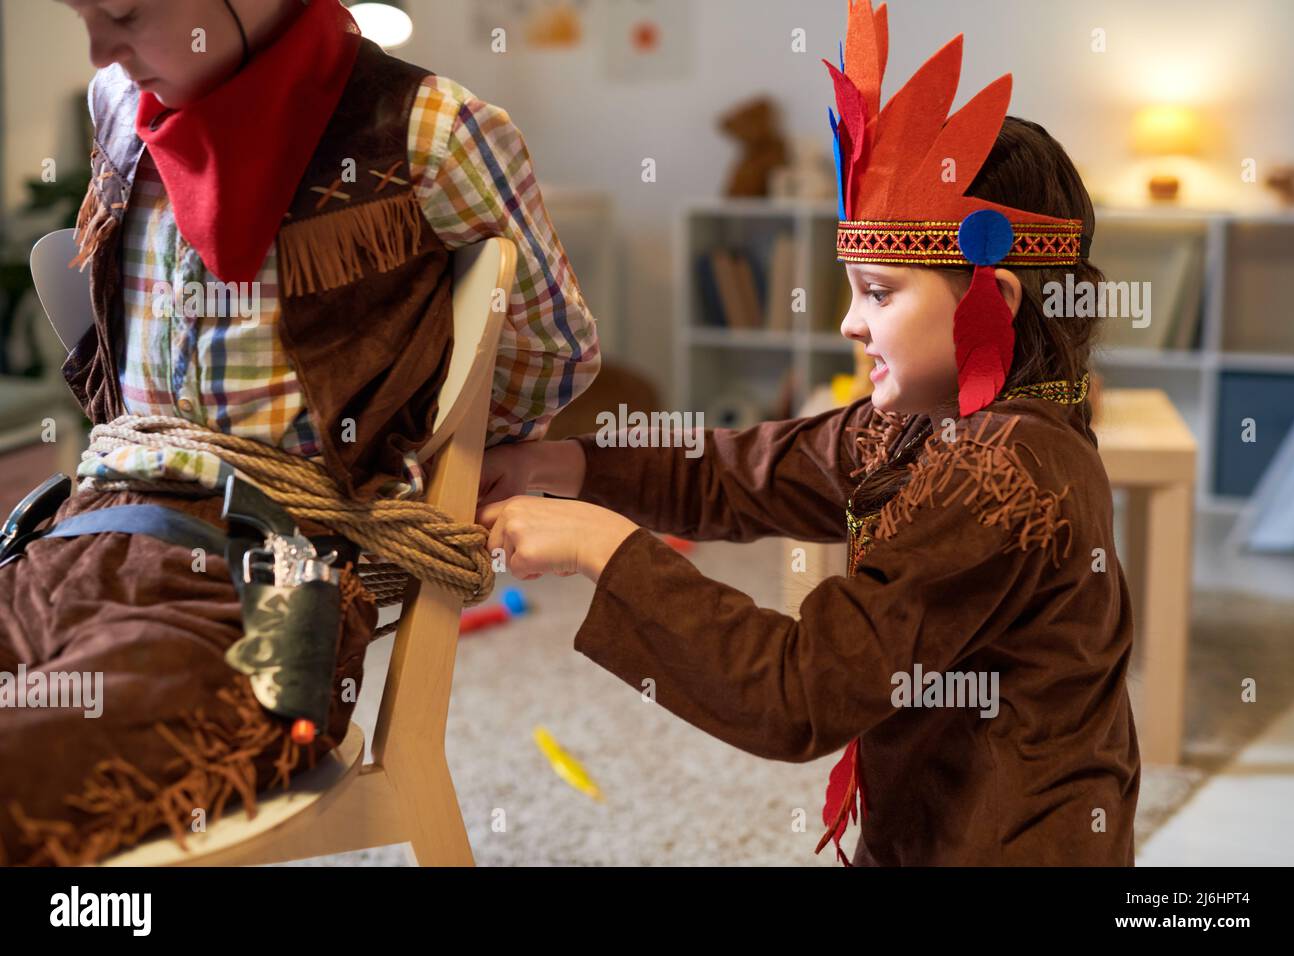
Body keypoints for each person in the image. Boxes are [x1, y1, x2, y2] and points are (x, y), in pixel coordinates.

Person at [476, 2, 1140, 865]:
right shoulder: (934, 425)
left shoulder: (1004, 470)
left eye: (880, 291)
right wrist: (561, 462)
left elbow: (799, 692)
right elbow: (745, 472)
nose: (848, 324)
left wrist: (604, 548)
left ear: (993, 302)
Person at [0, 0, 598, 865]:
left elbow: (552, 351)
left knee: (32, 758)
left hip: (260, 574)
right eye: (83, 11)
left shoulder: (429, 131)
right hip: (79, 531)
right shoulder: (115, 103)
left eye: (126, 11)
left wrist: (408, 478)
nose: (97, 46)